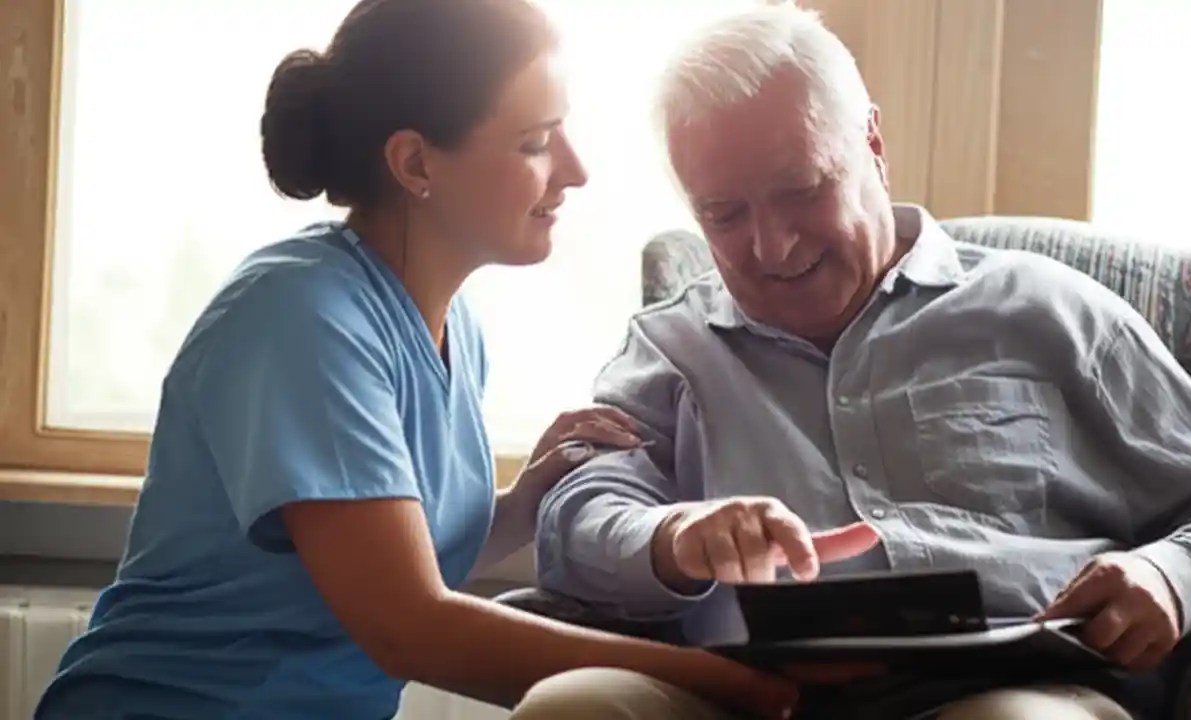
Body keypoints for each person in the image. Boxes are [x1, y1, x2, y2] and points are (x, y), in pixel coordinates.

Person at [33, 2, 813, 718]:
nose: (574, 170)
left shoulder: (450, 327)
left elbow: (377, 555)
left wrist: (520, 503)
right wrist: (726, 683)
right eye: (535, 142)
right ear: (415, 164)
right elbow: (412, 628)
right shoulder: (302, 318)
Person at [522, 5, 1191, 720]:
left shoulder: (1046, 313)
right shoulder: (669, 349)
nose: (771, 247)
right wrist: (674, 536)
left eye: (801, 191)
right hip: (746, 698)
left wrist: (1175, 577)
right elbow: (574, 524)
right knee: (573, 707)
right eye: (725, 215)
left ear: (873, 147)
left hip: (1021, 686)